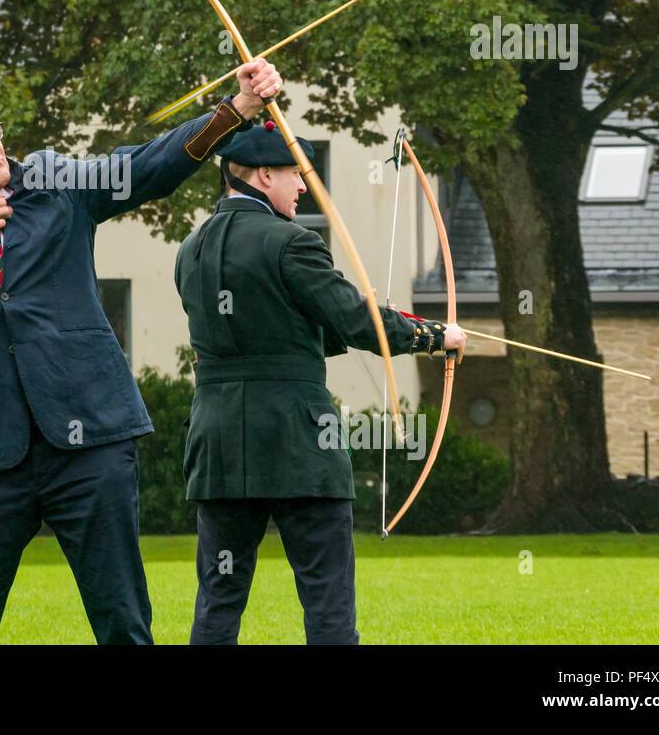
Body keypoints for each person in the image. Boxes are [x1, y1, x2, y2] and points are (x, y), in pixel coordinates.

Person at [0, 59, 283, 644]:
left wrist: (234, 113)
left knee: (122, 623)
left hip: (91, 439)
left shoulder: (55, 182)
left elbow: (148, 166)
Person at [173, 122, 466, 645]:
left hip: (218, 443)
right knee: (327, 600)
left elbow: (278, 334)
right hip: (297, 441)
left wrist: (355, 310)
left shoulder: (189, 249)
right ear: (264, 176)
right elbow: (361, 326)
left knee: (217, 602)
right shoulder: (293, 241)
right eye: (295, 174)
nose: (304, 187)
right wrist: (435, 336)